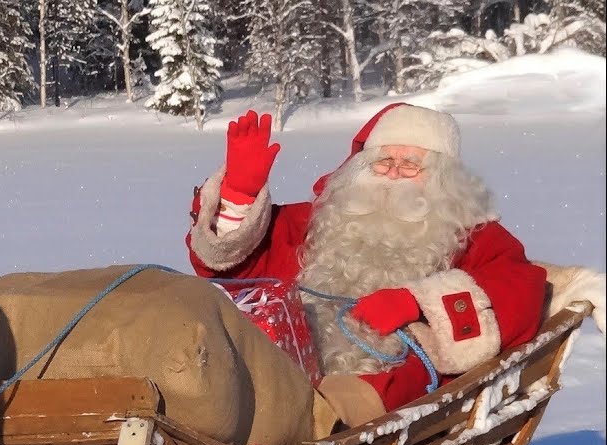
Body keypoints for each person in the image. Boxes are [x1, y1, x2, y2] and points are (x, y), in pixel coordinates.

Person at [185, 103, 547, 426]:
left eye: (410, 165)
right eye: (383, 160)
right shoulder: (319, 220)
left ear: (443, 179)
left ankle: (309, 430)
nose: (391, 173)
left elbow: (520, 287)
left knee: (337, 403)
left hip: (385, 384)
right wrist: (239, 195)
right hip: (281, 367)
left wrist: (416, 302)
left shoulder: (473, 233)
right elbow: (234, 265)